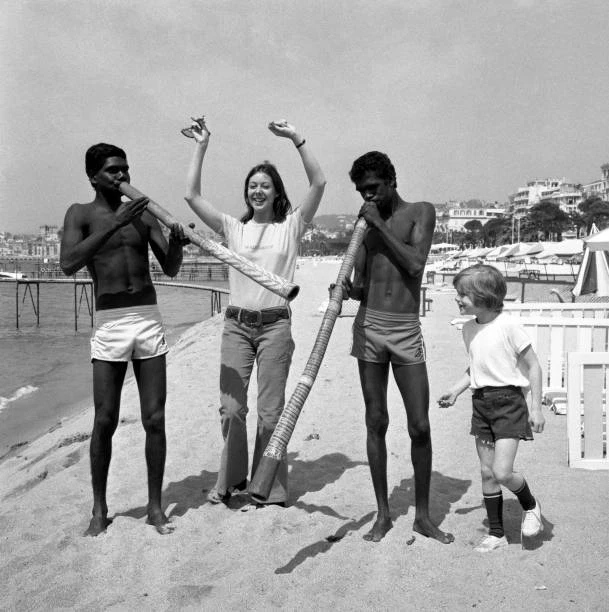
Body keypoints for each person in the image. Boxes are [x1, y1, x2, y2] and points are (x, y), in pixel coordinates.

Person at [184, 117, 326, 507]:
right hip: (236, 326)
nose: (258, 191)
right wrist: (202, 145)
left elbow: (319, 183)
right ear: (246, 194)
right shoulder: (234, 228)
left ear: (276, 191)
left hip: (275, 327)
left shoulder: (292, 226)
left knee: (270, 412)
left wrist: (297, 138)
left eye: (265, 185)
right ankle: (231, 480)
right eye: (252, 186)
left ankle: (269, 487)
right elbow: (192, 197)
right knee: (231, 409)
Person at [60, 143, 187, 536]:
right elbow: (68, 265)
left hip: (147, 318)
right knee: (104, 419)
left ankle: (154, 506)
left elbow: (170, 268)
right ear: (93, 176)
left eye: (126, 170)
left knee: (155, 418)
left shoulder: (144, 214)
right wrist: (114, 223)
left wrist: (178, 239)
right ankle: (99, 510)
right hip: (111, 322)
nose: (123, 177)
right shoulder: (80, 214)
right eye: (114, 171)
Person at [344, 151, 453, 543]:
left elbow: (414, 264)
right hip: (370, 326)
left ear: (392, 181)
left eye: (373, 188)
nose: (367, 196)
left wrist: (376, 224)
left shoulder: (421, 211)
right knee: (376, 420)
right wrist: (345, 289)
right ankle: (383, 514)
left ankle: (423, 516)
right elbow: (361, 283)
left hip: (405, 329)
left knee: (419, 425)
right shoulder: (365, 227)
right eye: (361, 191)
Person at [438, 264, 545, 552]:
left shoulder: (508, 326)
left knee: (501, 472)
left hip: (509, 404)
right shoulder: (468, 329)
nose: (457, 299)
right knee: (486, 472)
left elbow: (534, 366)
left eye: (462, 294)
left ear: (483, 296)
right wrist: (455, 390)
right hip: (481, 404)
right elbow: (476, 365)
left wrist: (536, 408)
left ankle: (530, 505)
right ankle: (496, 533)